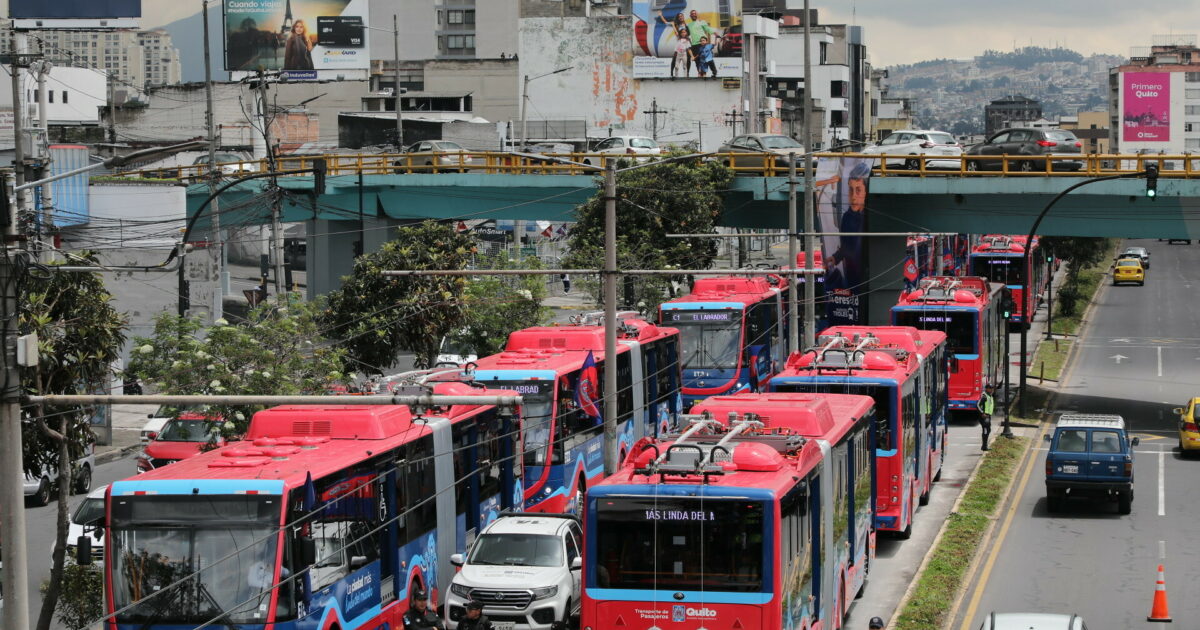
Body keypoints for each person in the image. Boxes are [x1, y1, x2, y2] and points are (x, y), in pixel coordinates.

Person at [686, 9, 717, 74]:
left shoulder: (702, 22)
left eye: (695, 13)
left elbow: (708, 29)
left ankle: (714, 72)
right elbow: (686, 34)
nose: (694, 15)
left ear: (697, 15)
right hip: (694, 45)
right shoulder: (689, 25)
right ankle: (700, 74)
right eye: (692, 14)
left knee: (708, 59)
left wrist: (714, 32)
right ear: (690, 16)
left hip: (702, 44)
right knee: (697, 61)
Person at [978, 385, 995, 451]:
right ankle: (984, 446)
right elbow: (978, 405)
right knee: (985, 431)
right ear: (986, 389)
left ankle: (984, 446)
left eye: (992, 388)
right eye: (990, 388)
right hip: (984, 417)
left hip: (988, 416)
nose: (991, 389)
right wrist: (982, 413)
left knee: (988, 430)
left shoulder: (989, 395)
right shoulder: (984, 396)